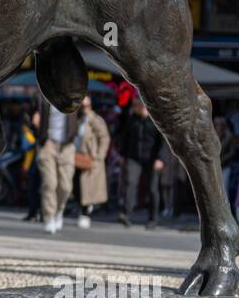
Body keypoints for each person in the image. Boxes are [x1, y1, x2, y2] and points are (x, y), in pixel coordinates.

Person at [117, 95, 170, 229]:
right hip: (133, 157)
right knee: (130, 183)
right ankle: (126, 215)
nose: (134, 108)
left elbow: (164, 142)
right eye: (133, 105)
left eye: (136, 105)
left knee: (152, 188)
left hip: (152, 159)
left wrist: (160, 159)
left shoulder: (156, 120)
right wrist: (123, 154)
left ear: (143, 106)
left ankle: (153, 219)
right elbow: (125, 137)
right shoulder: (132, 118)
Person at [33, 90, 78, 234]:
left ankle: (59, 209)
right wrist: (35, 123)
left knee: (66, 186)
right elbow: (29, 114)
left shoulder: (73, 96)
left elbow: (82, 116)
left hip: (66, 146)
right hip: (48, 144)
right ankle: (49, 216)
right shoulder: (43, 96)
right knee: (49, 183)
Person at [73, 95, 110, 228]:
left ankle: (85, 213)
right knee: (76, 187)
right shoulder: (79, 119)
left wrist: (99, 156)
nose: (84, 108)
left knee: (86, 189)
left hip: (90, 158)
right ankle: (83, 209)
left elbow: (104, 138)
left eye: (86, 106)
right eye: (82, 106)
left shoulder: (96, 120)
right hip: (77, 157)